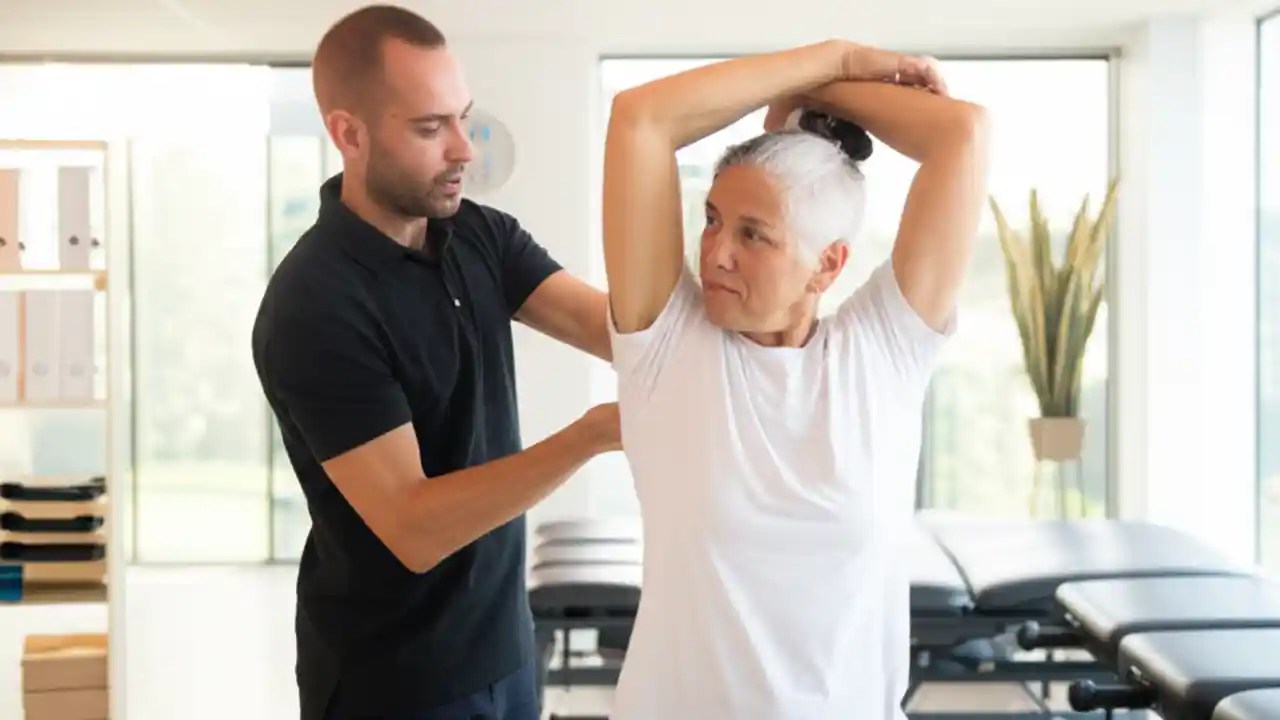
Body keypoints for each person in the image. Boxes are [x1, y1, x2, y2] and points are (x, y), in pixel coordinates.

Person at [250, 6, 619, 720]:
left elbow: (610, 327)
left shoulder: (478, 235)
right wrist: (590, 436)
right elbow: (414, 528)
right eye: (430, 128)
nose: (464, 150)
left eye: (463, 118)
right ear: (347, 134)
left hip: (505, 651)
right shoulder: (316, 305)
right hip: (395, 683)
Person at [602, 40, 990, 718]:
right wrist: (834, 62)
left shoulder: (883, 354)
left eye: (755, 235)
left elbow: (963, 133)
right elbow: (640, 119)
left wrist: (818, 98)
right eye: (713, 219)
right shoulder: (667, 344)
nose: (717, 253)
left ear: (827, 266)